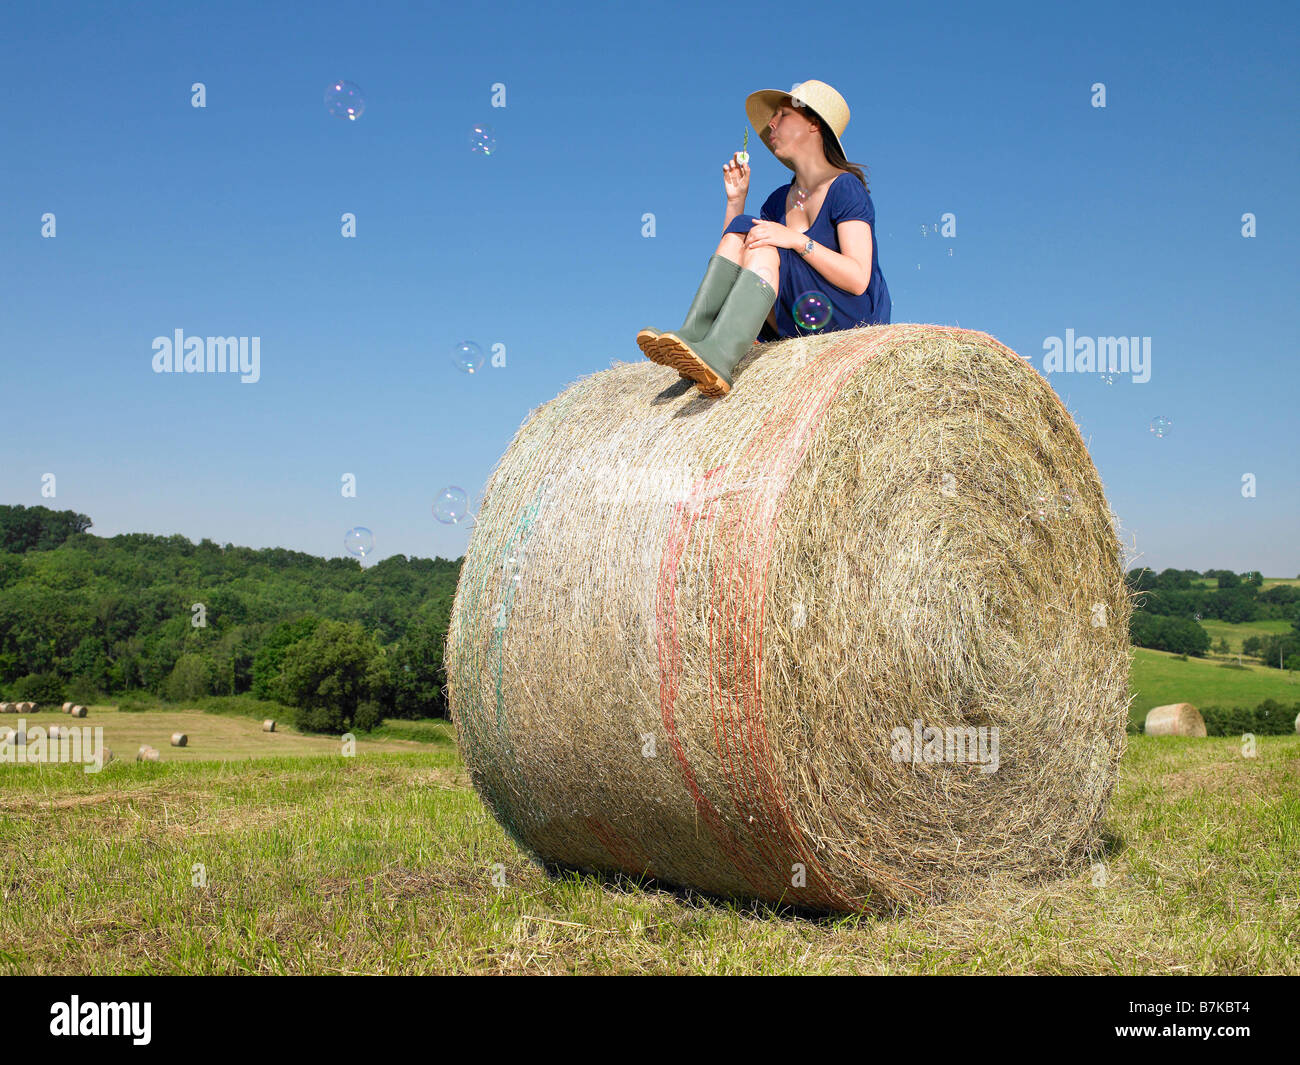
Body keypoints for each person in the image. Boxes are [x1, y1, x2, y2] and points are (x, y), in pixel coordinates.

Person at [636, 80, 890, 397]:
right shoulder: (778, 199)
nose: (771, 122)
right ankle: (697, 334)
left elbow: (857, 279)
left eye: (782, 115)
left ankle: (719, 354)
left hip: (850, 320)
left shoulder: (844, 187)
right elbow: (743, 254)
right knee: (747, 226)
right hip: (795, 318)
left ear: (813, 124)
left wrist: (796, 240)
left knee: (765, 240)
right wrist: (735, 200)